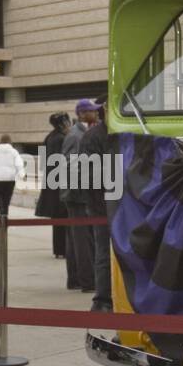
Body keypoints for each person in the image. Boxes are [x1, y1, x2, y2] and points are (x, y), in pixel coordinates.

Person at [60, 99, 98, 292]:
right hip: (77, 195)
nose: (96, 114)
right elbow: (70, 165)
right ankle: (87, 281)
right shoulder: (77, 136)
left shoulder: (79, 133)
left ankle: (75, 279)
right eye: (92, 111)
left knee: (76, 239)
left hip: (75, 194)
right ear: (82, 114)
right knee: (83, 240)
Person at [81, 98, 113, 313]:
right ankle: (102, 299)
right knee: (103, 253)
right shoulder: (93, 137)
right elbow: (88, 175)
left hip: (120, 205)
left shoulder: (123, 134)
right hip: (102, 206)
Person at [34, 113, 70, 261]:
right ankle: (64, 249)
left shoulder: (48, 137)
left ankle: (59, 249)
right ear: (62, 123)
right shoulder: (62, 139)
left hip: (50, 183)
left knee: (57, 220)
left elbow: (42, 163)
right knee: (64, 218)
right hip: (60, 184)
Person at [0, 134, 24, 217]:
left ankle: (0, 207)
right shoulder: (14, 151)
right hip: (10, 178)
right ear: (10, 142)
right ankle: (5, 214)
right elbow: (19, 164)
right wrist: (22, 174)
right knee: (7, 196)